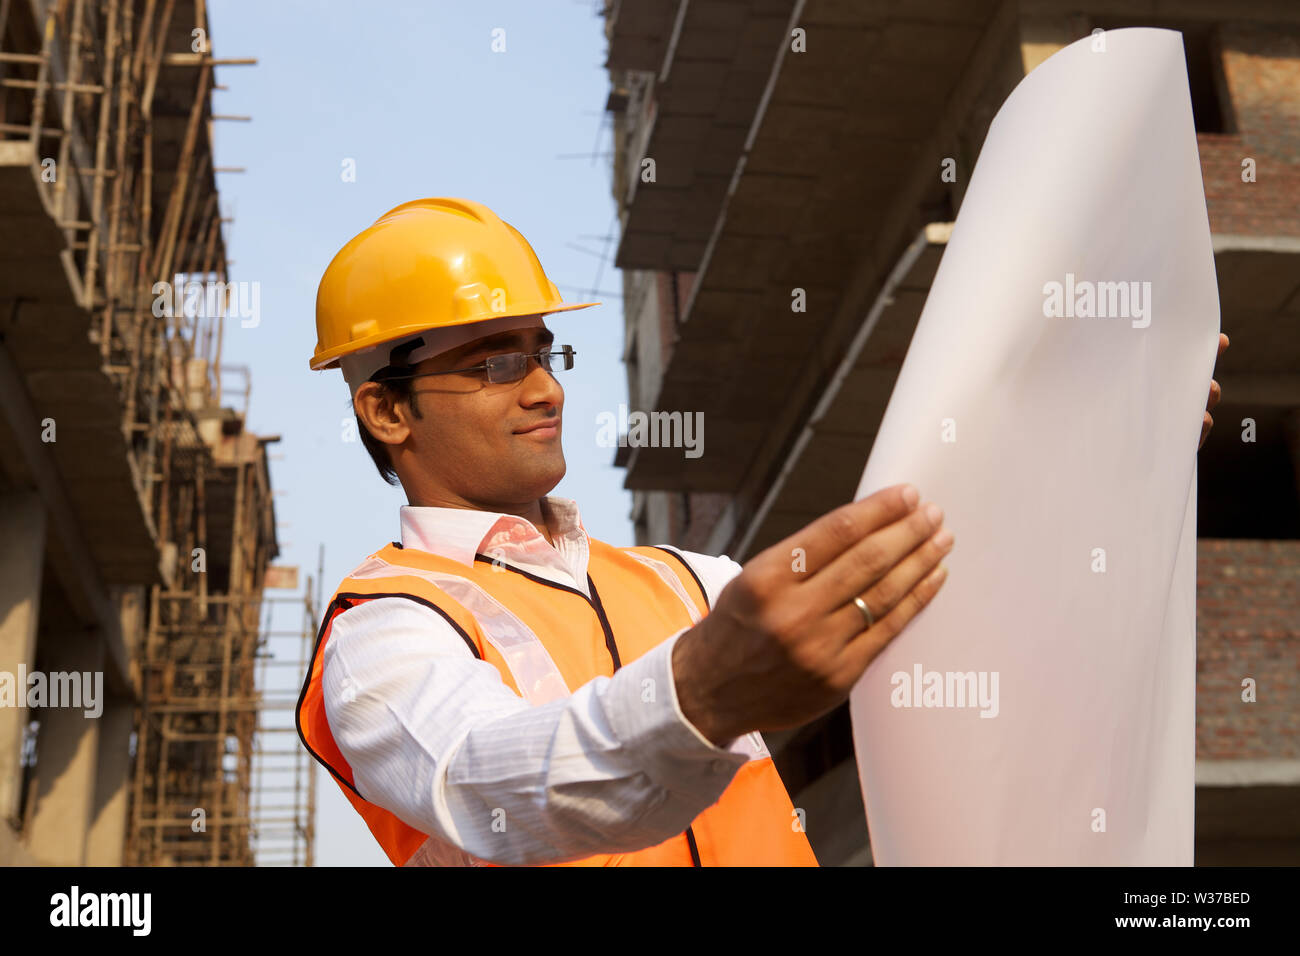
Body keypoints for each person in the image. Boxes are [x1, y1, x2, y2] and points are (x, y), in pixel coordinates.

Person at [297, 197, 1226, 867]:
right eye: (497, 362)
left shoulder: (684, 580)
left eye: (546, 353)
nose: (547, 390)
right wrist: (699, 690)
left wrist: (1103, 471)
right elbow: (481, 786)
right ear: (385, 410)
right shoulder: (383, 631)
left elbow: (940, 605)